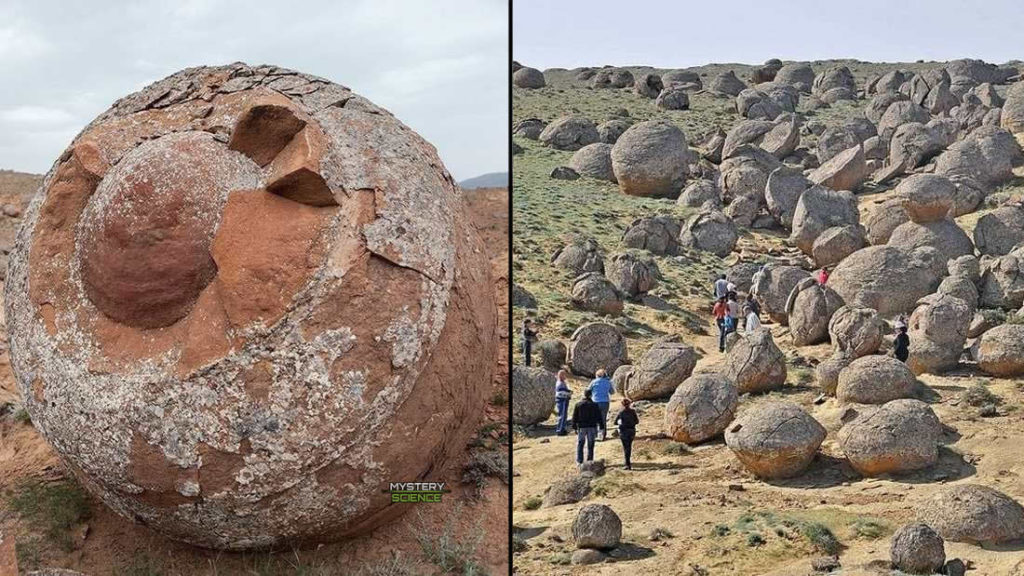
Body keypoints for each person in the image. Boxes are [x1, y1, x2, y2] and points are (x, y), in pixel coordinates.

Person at [572, 389, 602, 466]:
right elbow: (599, 416)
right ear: (591, 395)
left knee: (580, 443)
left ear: (584, 395)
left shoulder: (578, 404)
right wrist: (601, 426)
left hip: (582, 427)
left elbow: (575, 416)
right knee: (591, 444)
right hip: (592, 426)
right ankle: (590, 460)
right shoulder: (595, 405)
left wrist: (574, 426)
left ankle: (579, 460)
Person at [587, 369, 614, 441]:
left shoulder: (593, 382)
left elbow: (588, 390)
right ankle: (603, 435)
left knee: (595, 419)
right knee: (603, 419)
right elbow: (612, 392)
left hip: (595, 402)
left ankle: (595, 435)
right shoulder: (608, 382)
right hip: (605, 402)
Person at [614, 398, 639, 470]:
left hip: (623, 431)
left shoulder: (621, 412)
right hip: (631, 431)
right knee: (629, 447)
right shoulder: (633, 411)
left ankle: (627, 464)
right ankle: (628, 463)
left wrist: (620, 423)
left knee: (625, 447)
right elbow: (637, 421)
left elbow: (615, 422)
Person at [554, 370, 572, 436]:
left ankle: (563, 428)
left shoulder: (563, 382)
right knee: (562, 415)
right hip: (562, 400)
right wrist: (568, 393)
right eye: (564, 375)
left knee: (564, 415)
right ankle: (560, 430)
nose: (565, 376)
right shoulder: (560, 383)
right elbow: (560, 392)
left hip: (564, 399)